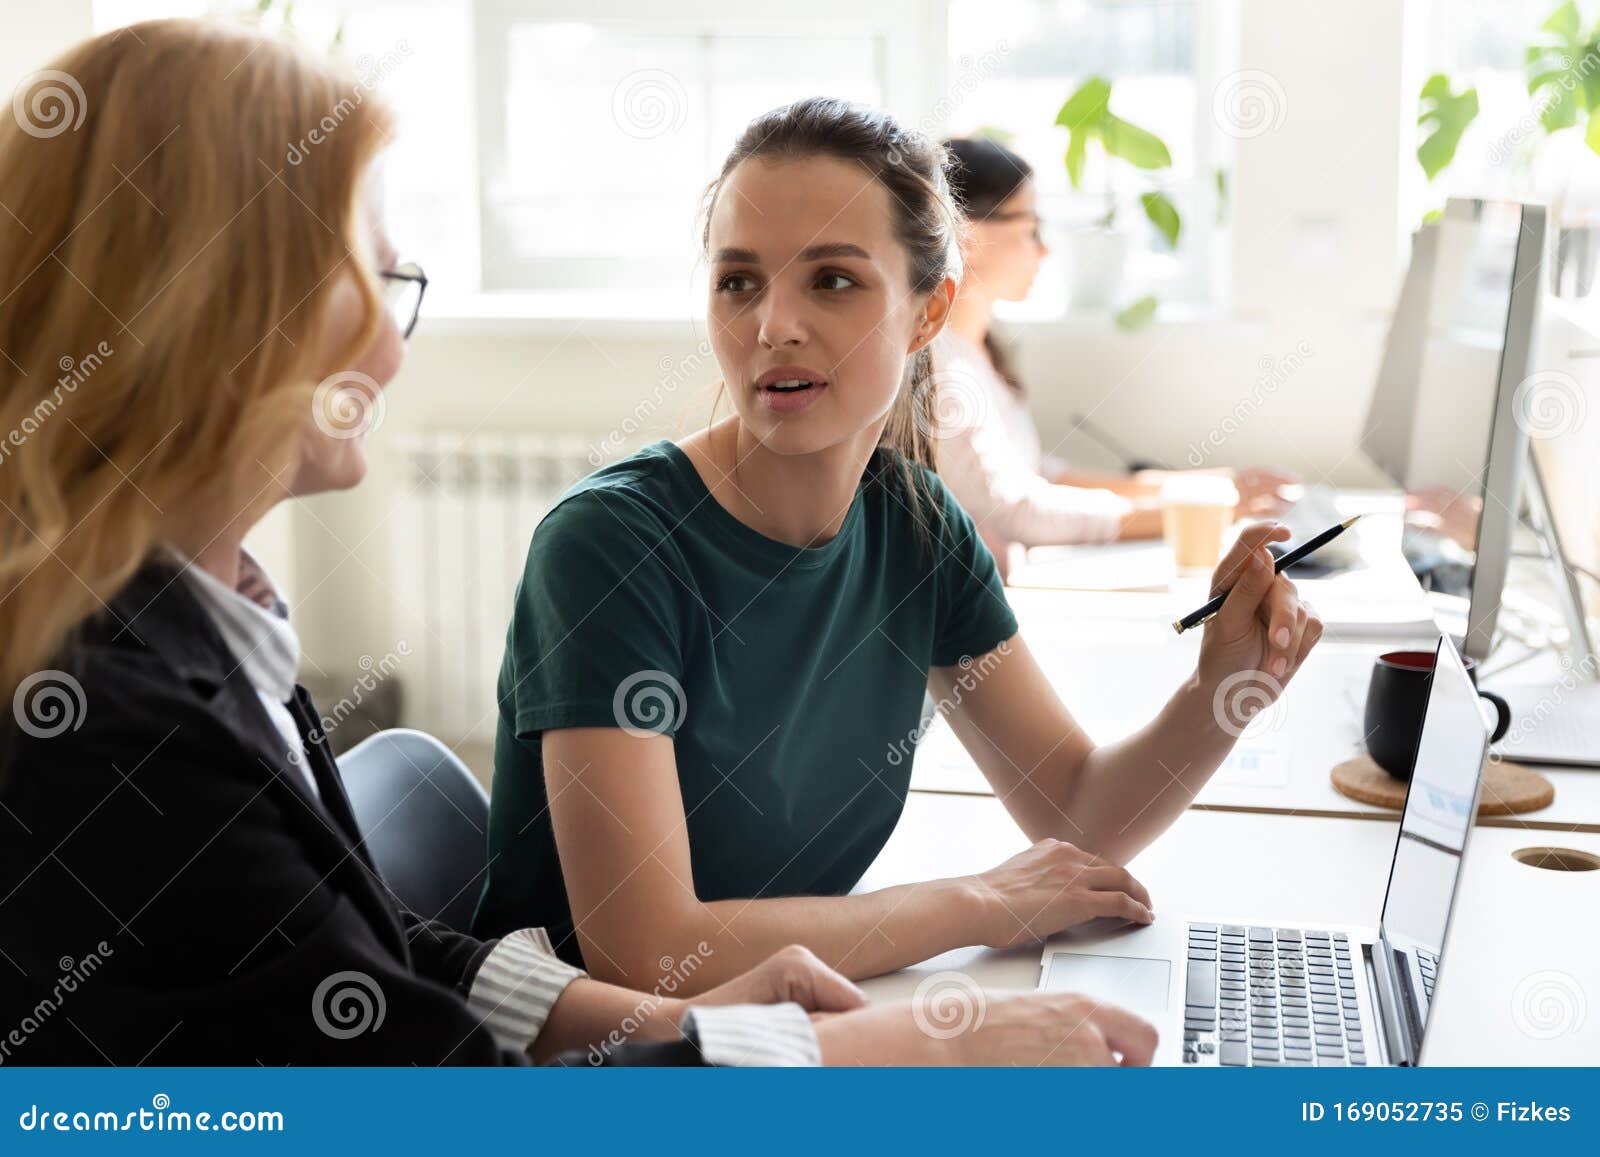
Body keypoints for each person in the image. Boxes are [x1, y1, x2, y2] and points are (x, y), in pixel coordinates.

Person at [0, 21, 1156, 1068]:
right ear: (212, 309)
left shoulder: (198, 635)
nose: (394, 350)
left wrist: (696, 1028)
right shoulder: (112, 732)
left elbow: (381, 957)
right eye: (373, 280)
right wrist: (888, 1050)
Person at [477, 98, 1323, 998]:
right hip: (600, 1058)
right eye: (739, 281)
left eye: (832, 280)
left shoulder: (916, 525)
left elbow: (1076, 814)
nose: (773, 324)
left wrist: (1222, 689)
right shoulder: (609, 547)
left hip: (783, 1026)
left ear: (929, 313)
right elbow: (646, 951)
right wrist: (972, 903)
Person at [934, 135, 1295, 580]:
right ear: (967, 236)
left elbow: (1036, 474)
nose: (1044, 249)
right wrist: (1208, 510)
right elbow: (1017, 513)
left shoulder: (978, 350)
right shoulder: (943, 371)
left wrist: (1209, 485)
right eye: (1031, 229)